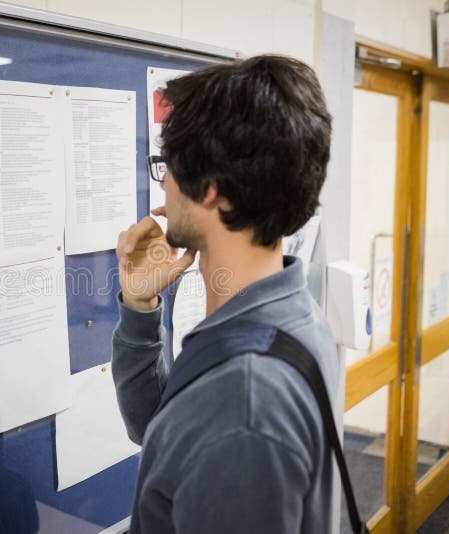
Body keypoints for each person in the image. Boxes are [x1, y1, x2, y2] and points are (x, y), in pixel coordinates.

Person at [112, 55, 337, 532]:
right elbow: (162, 426)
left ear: (210, 188)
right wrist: (139, 306)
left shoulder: (246, 400)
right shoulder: (286, 313)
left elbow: (215, 421)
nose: (165, 182)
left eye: (167, 165)